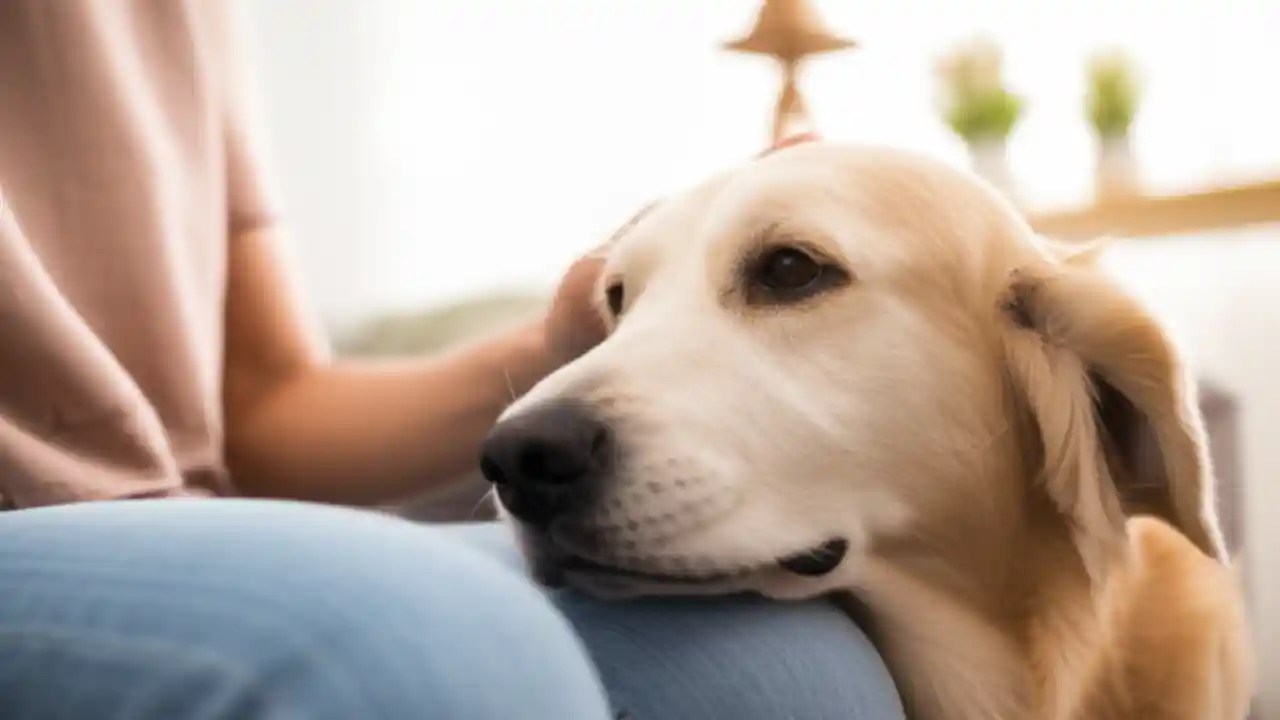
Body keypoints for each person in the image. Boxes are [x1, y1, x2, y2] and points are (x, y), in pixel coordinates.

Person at [0, 2, 903, 718]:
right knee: (415, 646)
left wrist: (562, 345)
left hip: (165, 511)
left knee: (788, 676)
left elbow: (260, 407)